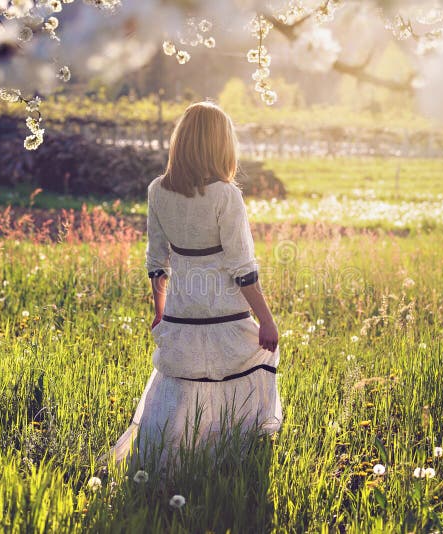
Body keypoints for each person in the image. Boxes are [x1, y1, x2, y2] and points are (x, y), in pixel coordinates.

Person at [104, 101, 282, 474]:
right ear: (220, 144)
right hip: (225, 311)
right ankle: (227, 460)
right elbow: (242, 266)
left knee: (182, 386)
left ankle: (174, 461)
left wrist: (160, 313)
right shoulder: (225, 194)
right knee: (239, 378)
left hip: (182, 312)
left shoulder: (158, 190)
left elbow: (156, 260)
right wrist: (266, 319)